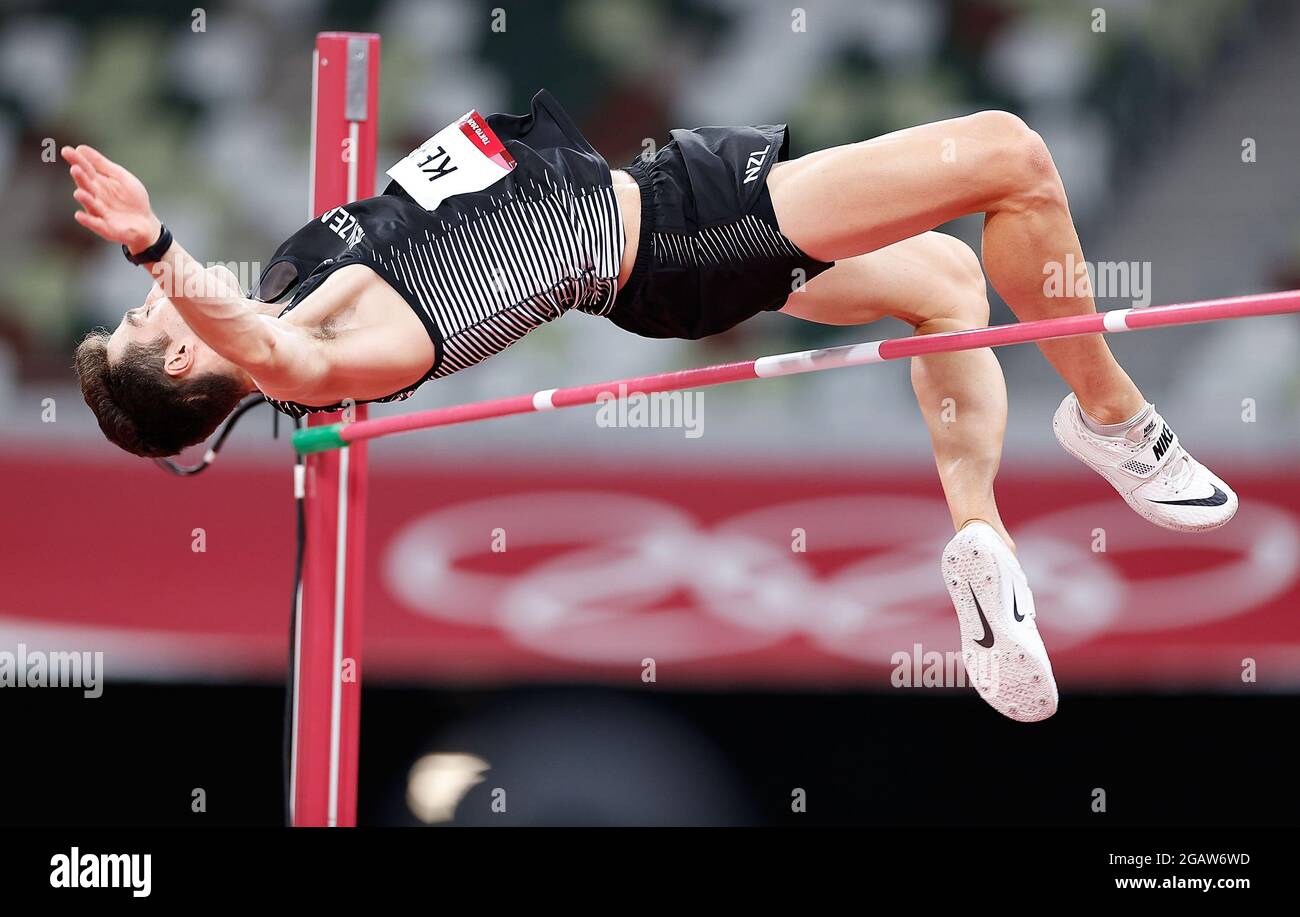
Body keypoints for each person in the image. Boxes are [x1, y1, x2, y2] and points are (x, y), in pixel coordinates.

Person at [64, 90, 1236, 721]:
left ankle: (975, 534)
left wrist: (188, 394)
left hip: (658, 224)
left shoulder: (289, 283)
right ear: (181, 361)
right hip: (677, 232)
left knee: (941, 284)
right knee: (1012, 155)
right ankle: (1115, 418)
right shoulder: (302, 355)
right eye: (142, 323)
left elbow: (242, 346)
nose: (154, 305)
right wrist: (154, 244)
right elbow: (258, 353)